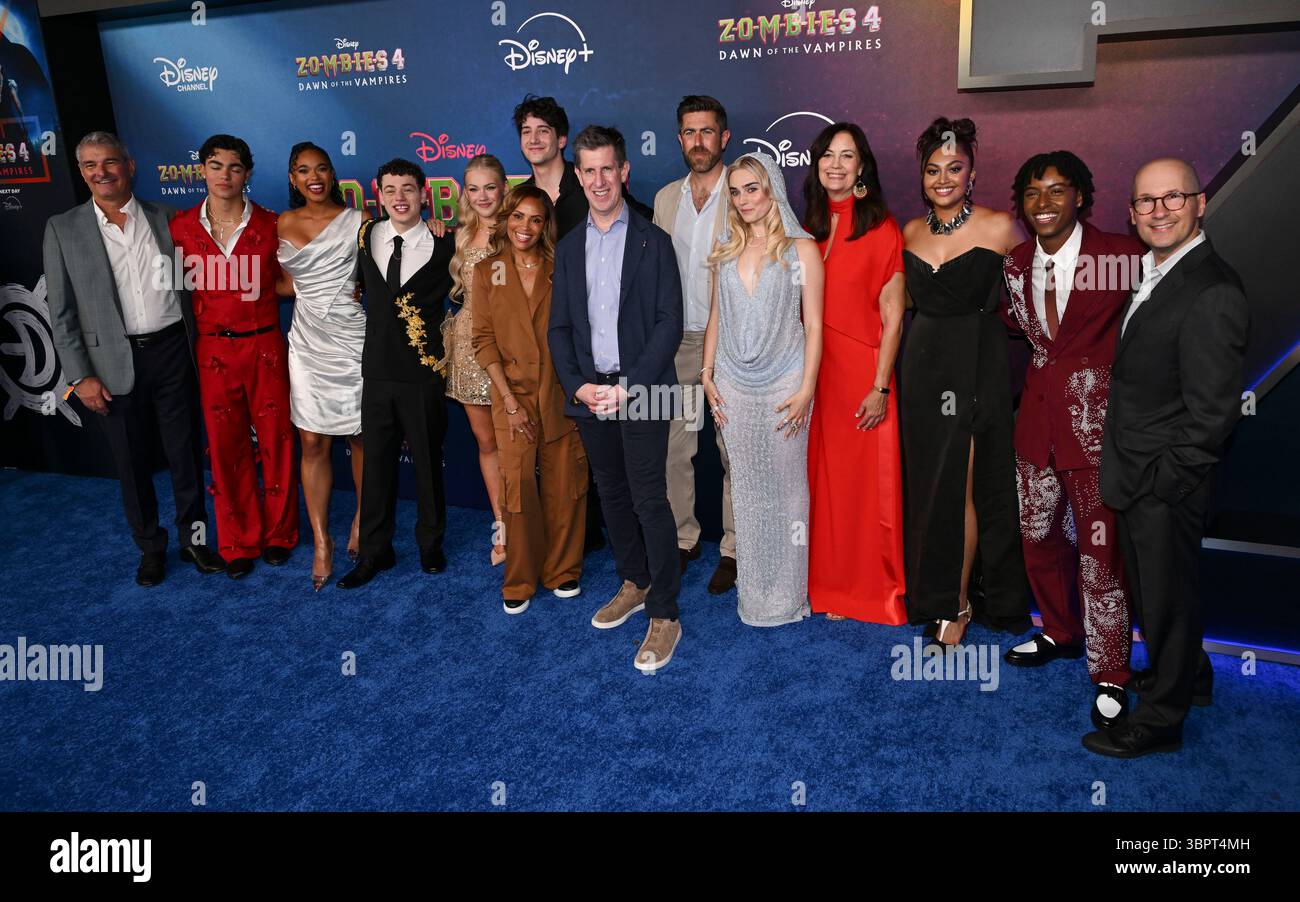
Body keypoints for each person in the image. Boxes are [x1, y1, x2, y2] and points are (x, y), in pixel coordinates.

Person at [1085, 158, 1249, 758]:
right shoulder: (1159, 271)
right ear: (1131, 213)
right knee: (1164, 594)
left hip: (1164, 482)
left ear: (1199, 203)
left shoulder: (1211, 290)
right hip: (1139, 471)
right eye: (1146, 201)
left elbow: (1212, 416)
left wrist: (1163, 483)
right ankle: (1191, 678)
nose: (1159, 210)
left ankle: (1159, 723)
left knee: (1168, 599)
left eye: (1172, 197)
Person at [1001, 150, 1144, 729]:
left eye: (1057, 191)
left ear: (1080, 196)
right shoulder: (1013, 265)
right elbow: (1021, 330)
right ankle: (1058, 631)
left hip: (1098, 431)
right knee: (1038, 541)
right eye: (1033, 194)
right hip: (1035, 427)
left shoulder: (1119, 255)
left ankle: (1111, 669)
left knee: (1100, 555)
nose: (1045, 204)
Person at [44, 131, 225, 586]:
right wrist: (79, 377)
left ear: (130, 165)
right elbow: (61, 312)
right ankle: (150, 547)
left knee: (185, 454)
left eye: (109, 162)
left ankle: (196, 540)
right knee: (130, 462)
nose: (100, 172)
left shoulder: (168, 218)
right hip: (111, 365)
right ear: (82, 172)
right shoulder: (63, 229)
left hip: (173, 352)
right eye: (89, 165)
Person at [548, 125, 684, 672]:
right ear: (577, 177)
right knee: (611, 492)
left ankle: (666, 612)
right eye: (590, 171)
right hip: (589, 392)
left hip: (642, 390)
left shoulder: (656, 241)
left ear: (624, 172)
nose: (600, 180)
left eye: (609, 169)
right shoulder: (567, 247)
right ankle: (635, 581)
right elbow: (558, 329)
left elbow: (669, 324)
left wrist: (631, 386)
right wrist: (579, 385)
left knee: (650, 497)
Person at [900, 117, 1030, 644]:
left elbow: (1033, 301)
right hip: (920, 370)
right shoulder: (908, 232)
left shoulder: (1000, 227)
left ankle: (957, 604)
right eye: (933, 170)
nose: (944, 179)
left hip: (976, 368)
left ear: (972, 172)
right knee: (929, 487)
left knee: (965, 488)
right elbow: (898, 305)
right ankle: (930, 591)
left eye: (954, 168)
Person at [701, 151, 823, 627]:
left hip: (786, 384)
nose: (744, 199)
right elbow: (716, 316)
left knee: (788, 492)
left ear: (772, 188)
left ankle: (787, 599)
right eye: (736, 191)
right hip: (732, 383)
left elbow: (814, 325)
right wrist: (708, 374)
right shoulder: (726, 245)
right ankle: (754, 596)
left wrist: (807, 388)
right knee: (749, 494)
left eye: (753, 188)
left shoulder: (801, 249)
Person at [170, 134, 298, 579]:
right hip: (212, 350)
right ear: (202, 169)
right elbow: (174, 290)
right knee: (225, 448)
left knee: (277, 440)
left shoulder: (271, 224)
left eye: (235, 167)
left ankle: (279, 534)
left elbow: (289, 282)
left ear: (247, 173)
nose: (225, 175)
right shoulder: (180, 227)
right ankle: (238, 540)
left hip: (264, 344)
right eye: (216, 165)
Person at [802, 122, 906, 625]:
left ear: (862, 166)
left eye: (847, 156)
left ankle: (866, 589)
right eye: (827, 155)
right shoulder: (809, 226)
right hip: (814, 376)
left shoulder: (883, 228)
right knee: (824, 485)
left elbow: (893, 316)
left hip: (862, 376)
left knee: (862, 489)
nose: (836, 165)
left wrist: (880, 386)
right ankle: (826, 584)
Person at [336, 158, 455, 588]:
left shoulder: (446, 244)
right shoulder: (366, 235)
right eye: (391, 189)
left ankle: (430, 544)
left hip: (423, 372)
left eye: (408, 188)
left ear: (424, 194)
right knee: (376, 466)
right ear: (378, 193)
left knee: (427, 463)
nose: (400, 197)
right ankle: (374, 551)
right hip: (378, 371)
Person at [473, 186, 586, 612]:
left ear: (546, 226)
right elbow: (483, 341)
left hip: (560, 394)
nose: (526, 227)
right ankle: (519, 579)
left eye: (536, 219)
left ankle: (563, 570)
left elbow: (579, 333)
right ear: (506, 219)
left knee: (566, 488)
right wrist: (510, 401)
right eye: (518, 216)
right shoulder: (488, 273)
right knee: (517, 491)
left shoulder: (564, 269)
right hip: (511, 397)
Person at [652, 94, 738, 592]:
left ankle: (735, 548)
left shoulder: (747, 192)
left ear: (723, 138)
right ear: (680, 139)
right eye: (689, 132)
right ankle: (683, 540)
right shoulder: (666, 198)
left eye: (707, 131)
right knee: (673, 448)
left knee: (734, 453)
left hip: (731, 343)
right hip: (678, 341)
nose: (698, 141)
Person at [276, 142, 367, 590]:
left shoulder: (360, 221)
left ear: (333, 174)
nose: (314, 177)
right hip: (308, 342)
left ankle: (359, 523)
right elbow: (287, 285)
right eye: (303, 170)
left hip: (353, 338)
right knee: (312, 441)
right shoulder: (282, 223)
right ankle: (321, 539)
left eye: (322, 168)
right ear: (293, 179)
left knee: (360, 433)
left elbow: (381, 274)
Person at [444, 154, 508, 567]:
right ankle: (502, 524)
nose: (482, 196)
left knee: (518, 445)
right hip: (468, 350)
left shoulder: (520, 229)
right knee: (487, 443)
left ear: (504, 188)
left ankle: (527, 521)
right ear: (465, 193)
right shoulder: (461, 236)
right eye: (473, 188)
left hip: (511, 347)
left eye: (490, 187)